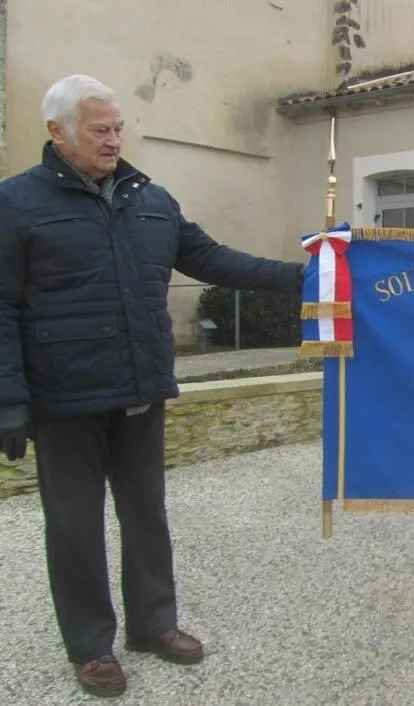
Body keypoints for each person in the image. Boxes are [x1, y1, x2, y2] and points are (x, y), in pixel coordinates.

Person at [0, 75, 306, 698]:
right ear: (57, 132)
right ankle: (90, 646)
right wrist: (9, 397)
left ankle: (153, 625)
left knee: (146, 514)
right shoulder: (15, 205)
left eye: (118, 128)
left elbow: (214, 259)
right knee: (74, 523)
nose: (115, 140)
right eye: (99, 129)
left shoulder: (151, 199)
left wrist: (307, 274)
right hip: (65, 398)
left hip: (141, 386)